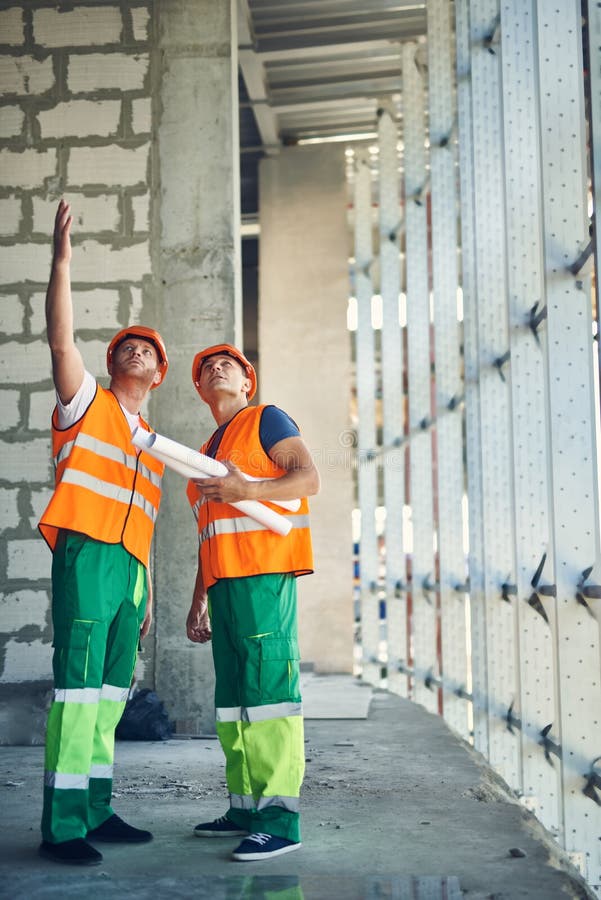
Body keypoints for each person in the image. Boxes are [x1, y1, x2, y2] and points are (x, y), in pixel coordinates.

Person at [37, 199, 169, 866]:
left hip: (129, 576)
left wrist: (142, 594)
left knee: (109, 696)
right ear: (114, 362)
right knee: (78, 688)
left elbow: (145, 523)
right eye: (126, 345)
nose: (135, 349)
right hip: (87, 555)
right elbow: (61, 340)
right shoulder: (85, 403)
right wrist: (62, 260)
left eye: (146, 349)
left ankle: (94, 805)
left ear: (158, 372)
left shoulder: (152, 445)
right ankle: (62, 825)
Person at [185, 344, 320, 861]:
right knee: (235, 702)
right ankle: (245, 807)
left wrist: (248, 486)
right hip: (223, 586)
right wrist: (199, 599)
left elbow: (309, 478)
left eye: (229, 365)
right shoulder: (205, 451)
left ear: (248, 382)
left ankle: (280, 821)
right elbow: (209, 534)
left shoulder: (266, 420)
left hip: (264, 577)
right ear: (199, 390)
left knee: (268, 696)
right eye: (207, 369)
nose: (217, 369)